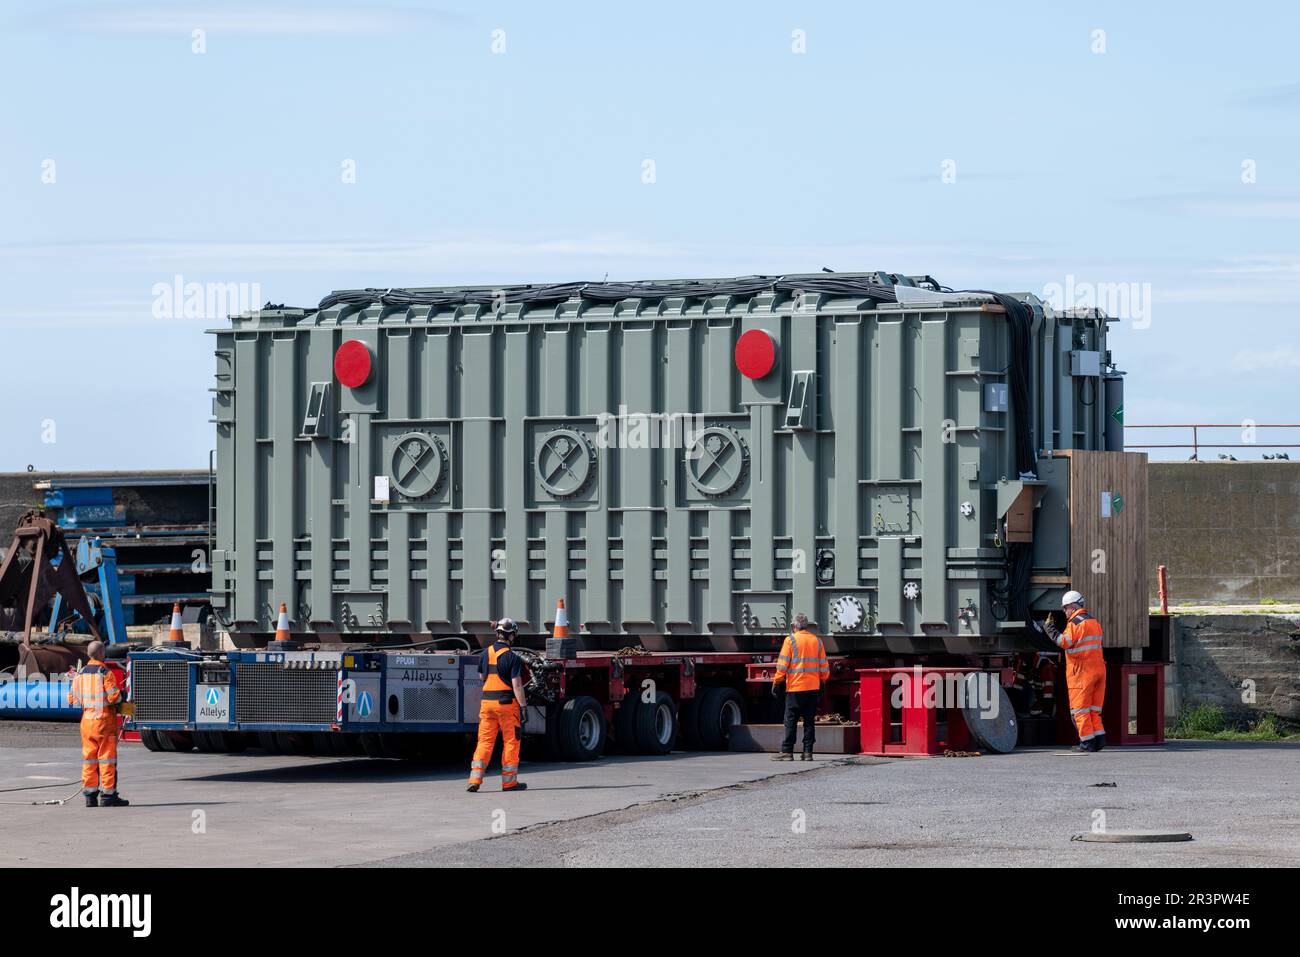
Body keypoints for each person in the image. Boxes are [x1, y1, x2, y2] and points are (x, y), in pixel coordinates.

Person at [467, 618, 529, 792]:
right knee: (511, 741)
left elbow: (482, 677)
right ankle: (509, 782)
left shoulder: (485, 653)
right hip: (507, 705)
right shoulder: (512, 657)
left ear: (498, 633)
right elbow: (517, 685)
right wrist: (523, 706)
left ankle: (475, 779)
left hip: (487, 704)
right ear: (512, 635)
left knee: (484, 742)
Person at [1042, 591, 1107, 752]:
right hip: (1099, 670)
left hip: (1082, 674)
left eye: (1065, 608)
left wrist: (1049, 629)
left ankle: (1087, 743)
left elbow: (1064, 642)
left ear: (1073, 606)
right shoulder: (1093, 622)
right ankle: (1099, 739)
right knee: (1093, 711)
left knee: (1079, 711)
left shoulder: (1075, 624)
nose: (1064, 612)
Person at [67, 641, 129, 807]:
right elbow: (114, 697)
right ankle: (108, 796)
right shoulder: (105, 672)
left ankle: (90, 796)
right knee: (106, 759)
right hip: (104, 720)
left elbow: (72, 699)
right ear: (101, 654)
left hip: (86, 721)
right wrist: (123, 697)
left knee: (89, 759)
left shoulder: (79, 674)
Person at [769, 613, 829, 761]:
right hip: (812, 688)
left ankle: (787, 752)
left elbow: (783, 664)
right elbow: (824, 666)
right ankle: (808, 752)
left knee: (790, 720)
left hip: (795, 688)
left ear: (794, 626)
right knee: (809, 721)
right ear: (806, 626)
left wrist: (777, 682)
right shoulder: (817, 641)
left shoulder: (790, 640)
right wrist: (823, 681)